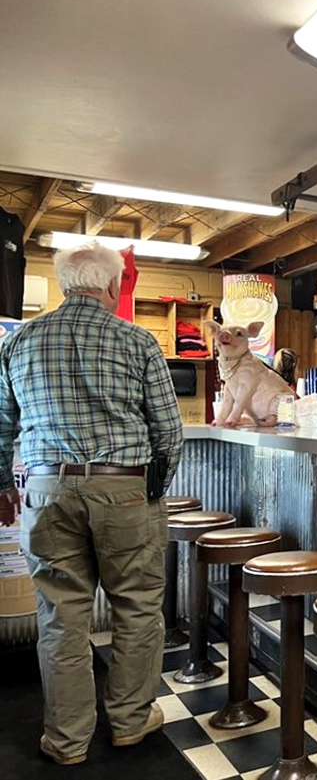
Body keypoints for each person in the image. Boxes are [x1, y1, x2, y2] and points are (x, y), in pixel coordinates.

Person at [0, 242, 184, 765]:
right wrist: (153, 487)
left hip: (47, 489)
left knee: (61, 617)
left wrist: (3, 486)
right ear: (113, 285)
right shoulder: (137, 339)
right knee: (137, 606)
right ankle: (129, 723)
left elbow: (1, 425)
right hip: (124, 487)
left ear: (63, 284)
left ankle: (66, 740)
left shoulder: (23, 341)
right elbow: (168, 431)